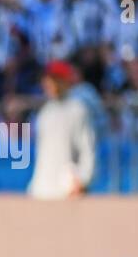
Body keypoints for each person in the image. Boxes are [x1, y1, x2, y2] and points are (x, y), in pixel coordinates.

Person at [28, 59, 96, 199]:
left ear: (65, 81)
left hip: (66, 192)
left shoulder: (77, 110)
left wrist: (83, 180)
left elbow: (88, 150)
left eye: (54, 80)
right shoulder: (45, 113)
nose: (49, 84)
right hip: (42, 190)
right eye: (48, 80)